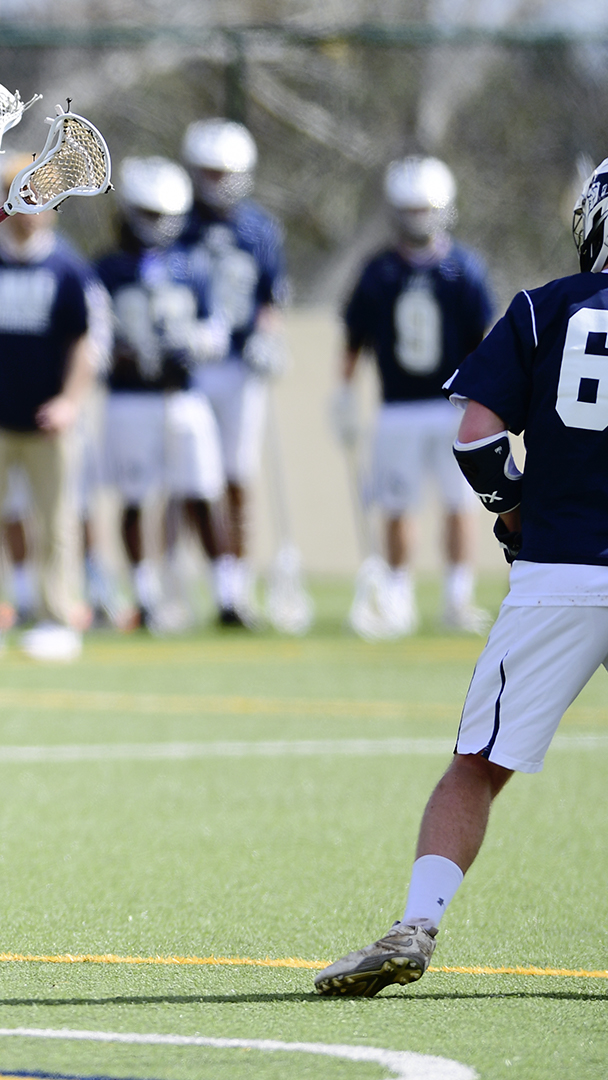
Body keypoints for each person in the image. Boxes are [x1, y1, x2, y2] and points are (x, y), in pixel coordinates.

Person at [315, 158, 608, 996]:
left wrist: (513, 515)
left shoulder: (542, 306)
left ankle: (419, 921)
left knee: (477, 763)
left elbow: (478, 439)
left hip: (558, 575)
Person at [0, 153, 107, 659]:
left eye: (39, 198)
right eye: (18, 195)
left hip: (48, 422)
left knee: (57, 521)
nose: (27, 209)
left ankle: (58, 617)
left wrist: (69, 403)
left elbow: (83, 347)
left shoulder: (68, 269)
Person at [337, 157, 495, 637]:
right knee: (398, 504)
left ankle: (457, 596)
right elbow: (353, 340)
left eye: (425, 208)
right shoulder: (379, 272)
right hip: (398, 406)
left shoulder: (463, 269)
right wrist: (343, 393)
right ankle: (399, 596)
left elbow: (484, 342)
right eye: (409, 209)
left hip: (453, 405)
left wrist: (485, 400)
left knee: (458, 503)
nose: (417, 218)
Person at [97, 157, 239, 631]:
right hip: (130, 398)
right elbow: (94, 338)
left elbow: (216, 330)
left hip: (183, 395)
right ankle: (145, 597)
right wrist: (124, 352)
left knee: (204, 493)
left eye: (164, 214)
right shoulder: (108, 269)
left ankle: (228, 596)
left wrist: (196, 342)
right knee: (136, 497)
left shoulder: (191, 266)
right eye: (149, 213)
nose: (157, 224)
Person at [178, 119, 288, 616]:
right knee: (194, 478)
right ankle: (193, 579)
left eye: (225, 173)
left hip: (240, 365)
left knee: (237, 474)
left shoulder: (258, 229)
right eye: (209, 172)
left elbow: (271, 299)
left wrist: (268, 336)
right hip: (190, 370)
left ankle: (233, 585)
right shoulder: (179, 222)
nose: (217, 182)